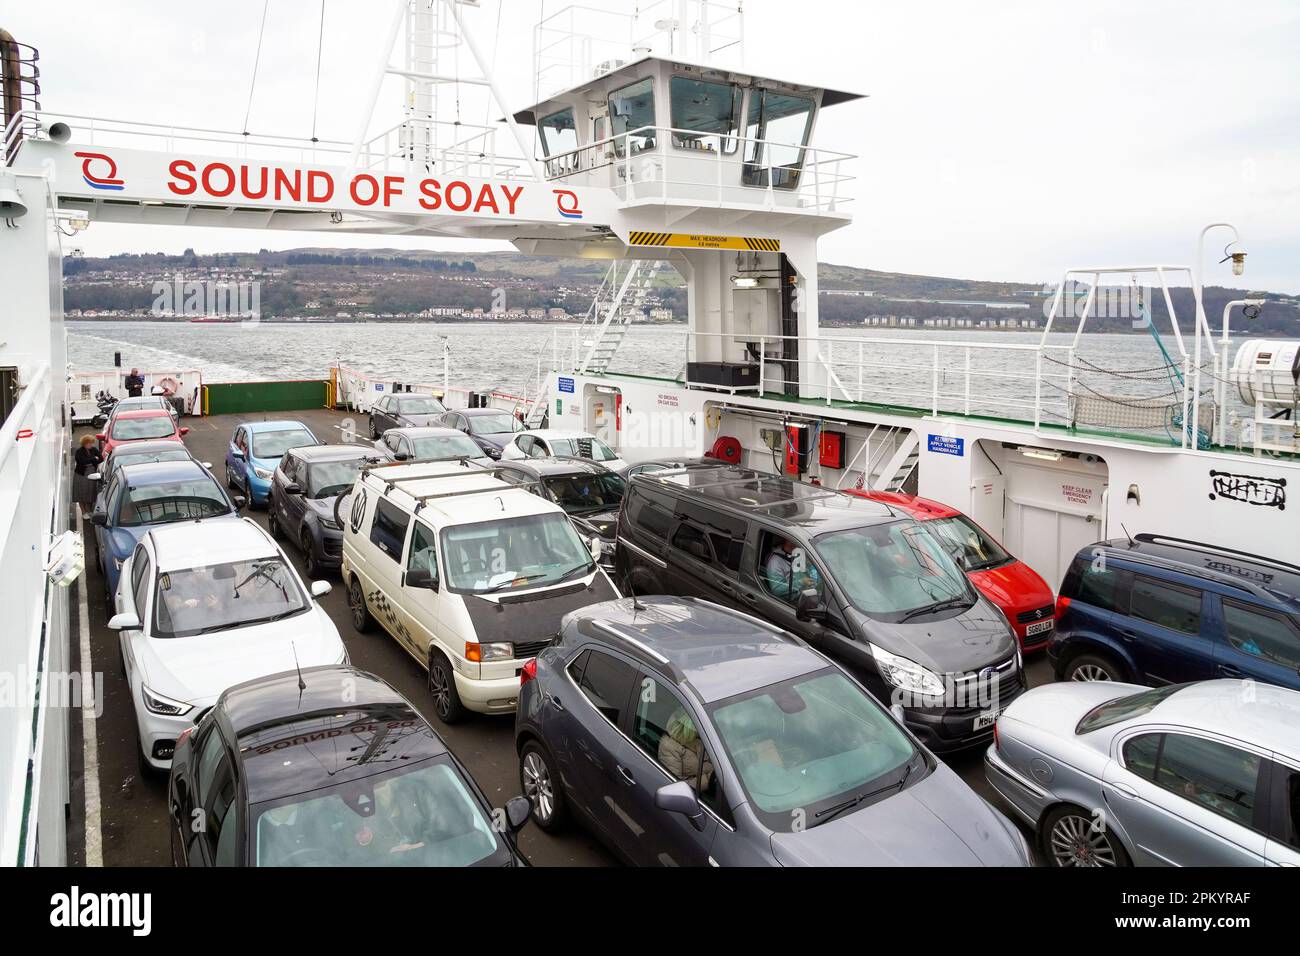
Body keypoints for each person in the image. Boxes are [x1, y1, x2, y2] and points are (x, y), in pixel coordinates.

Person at [762, 536, 821, 603]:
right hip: (790, 602)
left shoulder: (799, 553)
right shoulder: (775, 561)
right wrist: (801, 582)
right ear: (788, 541)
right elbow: (776, 590)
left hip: (807, 593)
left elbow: (809, 570)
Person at [72, 435, 103, 517]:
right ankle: (83, 512)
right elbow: (82, 461)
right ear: (84, 443)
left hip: (92, 473)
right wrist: (94, 459)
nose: (91, 445)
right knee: (81, 493)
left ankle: (89, 511)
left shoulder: (94, 449)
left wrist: (93, 460)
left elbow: (101, 458)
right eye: (89, 443)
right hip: (81, 475)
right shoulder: (79, 451)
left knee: (90, 493)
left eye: (91, 443)